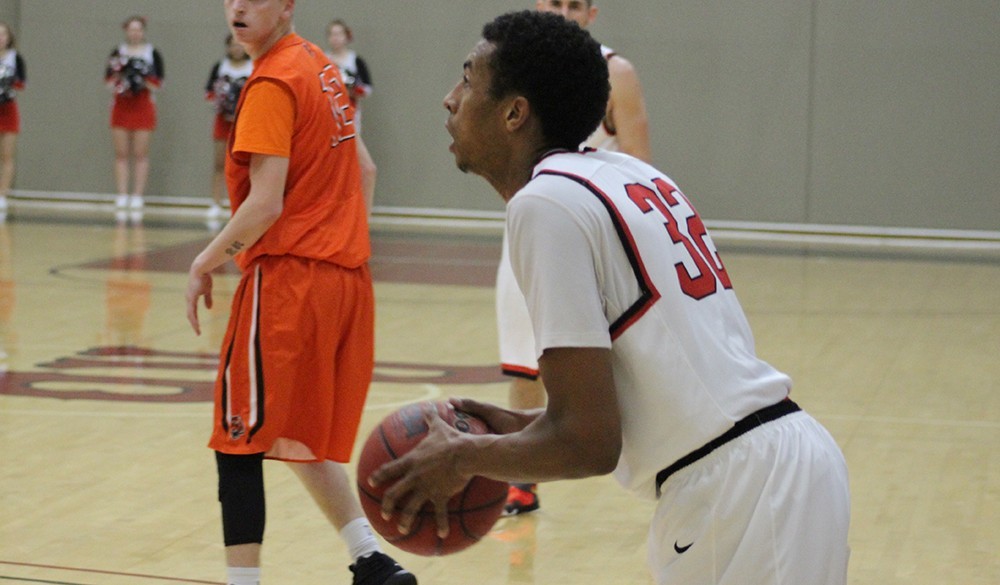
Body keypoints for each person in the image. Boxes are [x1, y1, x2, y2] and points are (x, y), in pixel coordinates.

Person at [370, 11, 850, 585]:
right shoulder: (625, 174)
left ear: (514, 112)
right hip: (784, 465)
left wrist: (462, 457)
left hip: (738, 493)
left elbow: (588, 445)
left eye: (468, 79)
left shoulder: (543, 205)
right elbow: (640, 391)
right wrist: (523, 424)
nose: (450, 99)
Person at [184, 2, 415, 585]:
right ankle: (371, 559)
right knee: (290, 431)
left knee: (236, 440)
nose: (238, 7)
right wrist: (337, 238)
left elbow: (266, 204)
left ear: (285, 5)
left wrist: (205, 261)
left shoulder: (270, 82)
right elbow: (365, 171)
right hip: (346, 281)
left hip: (290, 282)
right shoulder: (320, 66)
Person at [499, 0, 653, 515]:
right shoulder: (510, 69)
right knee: (523, 363)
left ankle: (658, 465)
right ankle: (521, 480)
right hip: (532, 225)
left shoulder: (616, 73)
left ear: (592, 12)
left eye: (573, 5)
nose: (562, 13)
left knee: (622, 368)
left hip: (593, 238)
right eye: (553, 3)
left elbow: (638, 166)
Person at [105, 15, 163, 210]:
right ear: (126, 31)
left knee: (141, 153)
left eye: (138, 29)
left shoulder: (152, 53)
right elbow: (108, 80)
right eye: (131, 29)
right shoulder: (118, 52)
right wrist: (124, 74)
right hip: (121, 105)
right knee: (121, 153)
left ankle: (138, 195)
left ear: (143, 32)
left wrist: (142, 75)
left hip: (143, 106)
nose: (135, 33)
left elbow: (158, 83)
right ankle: (122, 194)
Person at [325, 18, 377, 216]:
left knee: (355, 164)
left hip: (350, 117)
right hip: (329, 117)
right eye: (332, 34)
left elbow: (367, 89)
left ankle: (354, 212)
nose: (335, 38)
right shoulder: (323, 59)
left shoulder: (355, 61)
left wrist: (352, 88)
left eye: (339, 34)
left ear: (347, 36)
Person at [205, 34, 253, 221]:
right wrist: (223, 102)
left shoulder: (253, 66)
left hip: (245, 122)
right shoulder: (220, 67)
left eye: (240, 45)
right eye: (233, 45)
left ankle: (243, 204)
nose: (236, 49)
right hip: (223, 121)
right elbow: (209, 93)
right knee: (219, 163)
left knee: (245, 165)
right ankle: (216, 202)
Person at [0, 21, 25, 212]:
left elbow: (21, 84)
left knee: (7, 155)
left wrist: (8, 84)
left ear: (9, 38)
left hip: (8, 110)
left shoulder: (15, 58)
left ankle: (2, 195)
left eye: (3, 34)